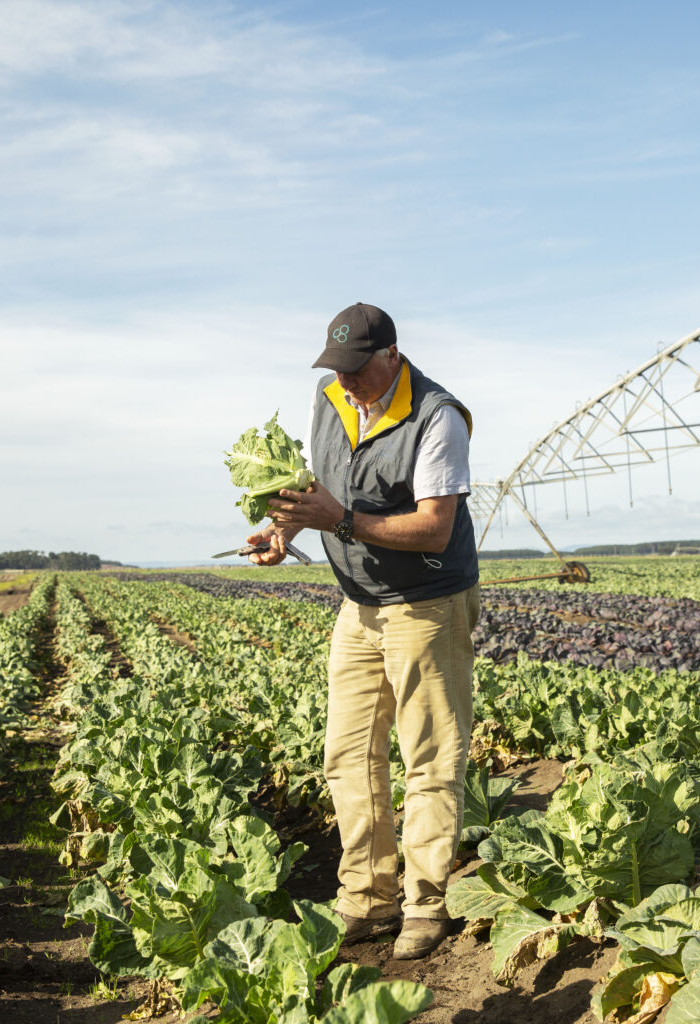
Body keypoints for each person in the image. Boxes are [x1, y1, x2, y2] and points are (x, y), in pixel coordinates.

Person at [245, 301, 480, 960]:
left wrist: (341, 521)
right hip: (359, 603)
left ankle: (425, 904)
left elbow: (433, 527)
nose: (346, 381)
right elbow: (314, 489)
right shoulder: (330, 398)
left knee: (430, 757)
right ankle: (366, 899)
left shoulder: (437, 416)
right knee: (347, 755)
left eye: (357, 368)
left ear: (391, 356)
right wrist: (282, 531)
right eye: (337, 368)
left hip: (427, 602)